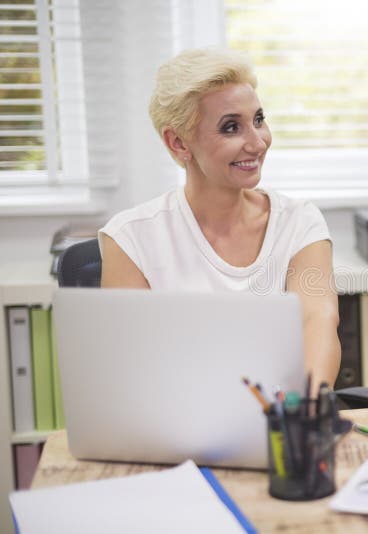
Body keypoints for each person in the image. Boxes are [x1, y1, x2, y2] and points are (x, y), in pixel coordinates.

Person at [99, 48, 340, 388]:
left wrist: (304, 414)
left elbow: (318, 320)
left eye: (258, 119)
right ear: (179, 142)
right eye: (231, 127)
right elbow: (130, 368)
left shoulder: (299, 223)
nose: (258, 143)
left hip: (285, 422)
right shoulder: (132, 239)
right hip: (178, 432)